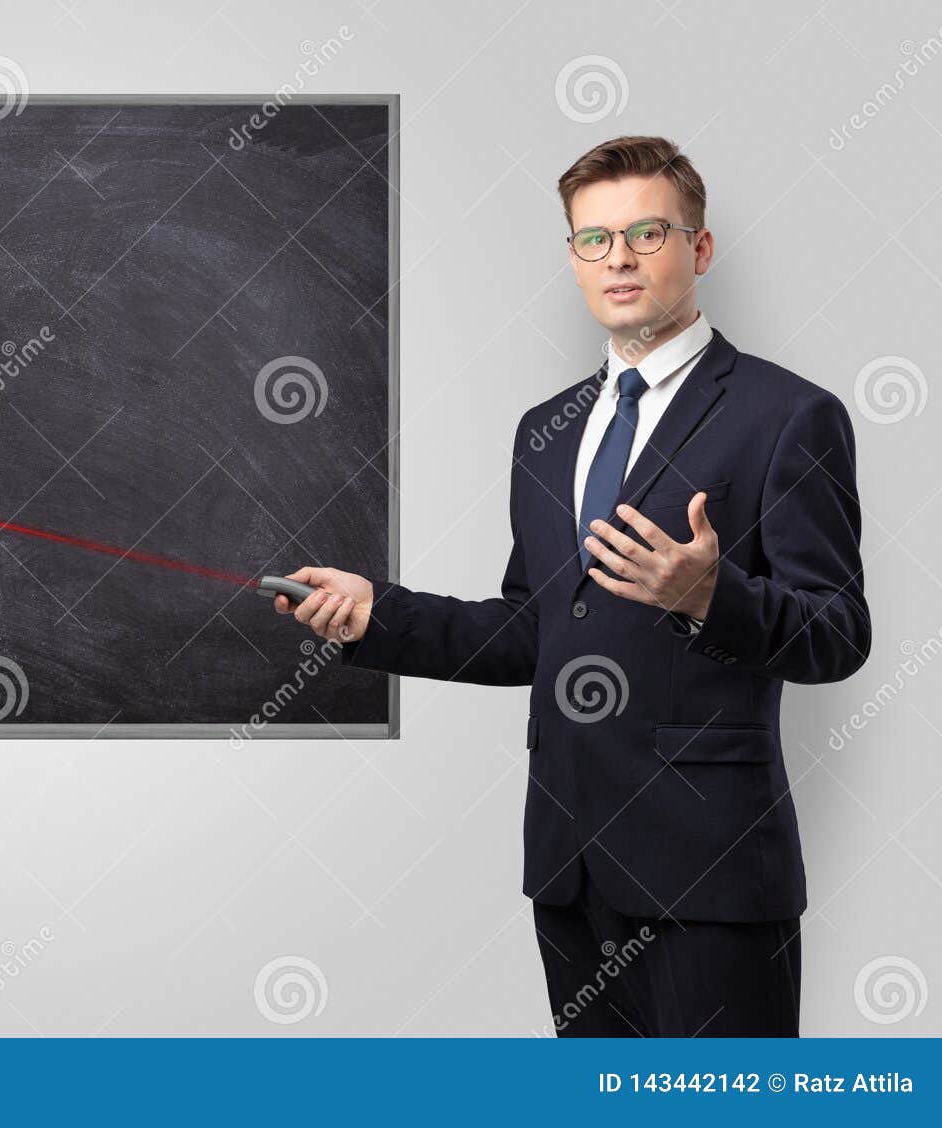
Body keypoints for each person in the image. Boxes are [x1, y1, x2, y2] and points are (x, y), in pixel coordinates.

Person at [274, 135, 870, 1037]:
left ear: (699, 250)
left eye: (646, 233)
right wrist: (375, 617)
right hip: (570, 862)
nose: (619, 258)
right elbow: (533, 629)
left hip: (711, 869)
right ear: (574, 259)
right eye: (594, 239)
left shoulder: (788, 415)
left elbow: (838, 633)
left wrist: (711, 596)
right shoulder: (544, 431)